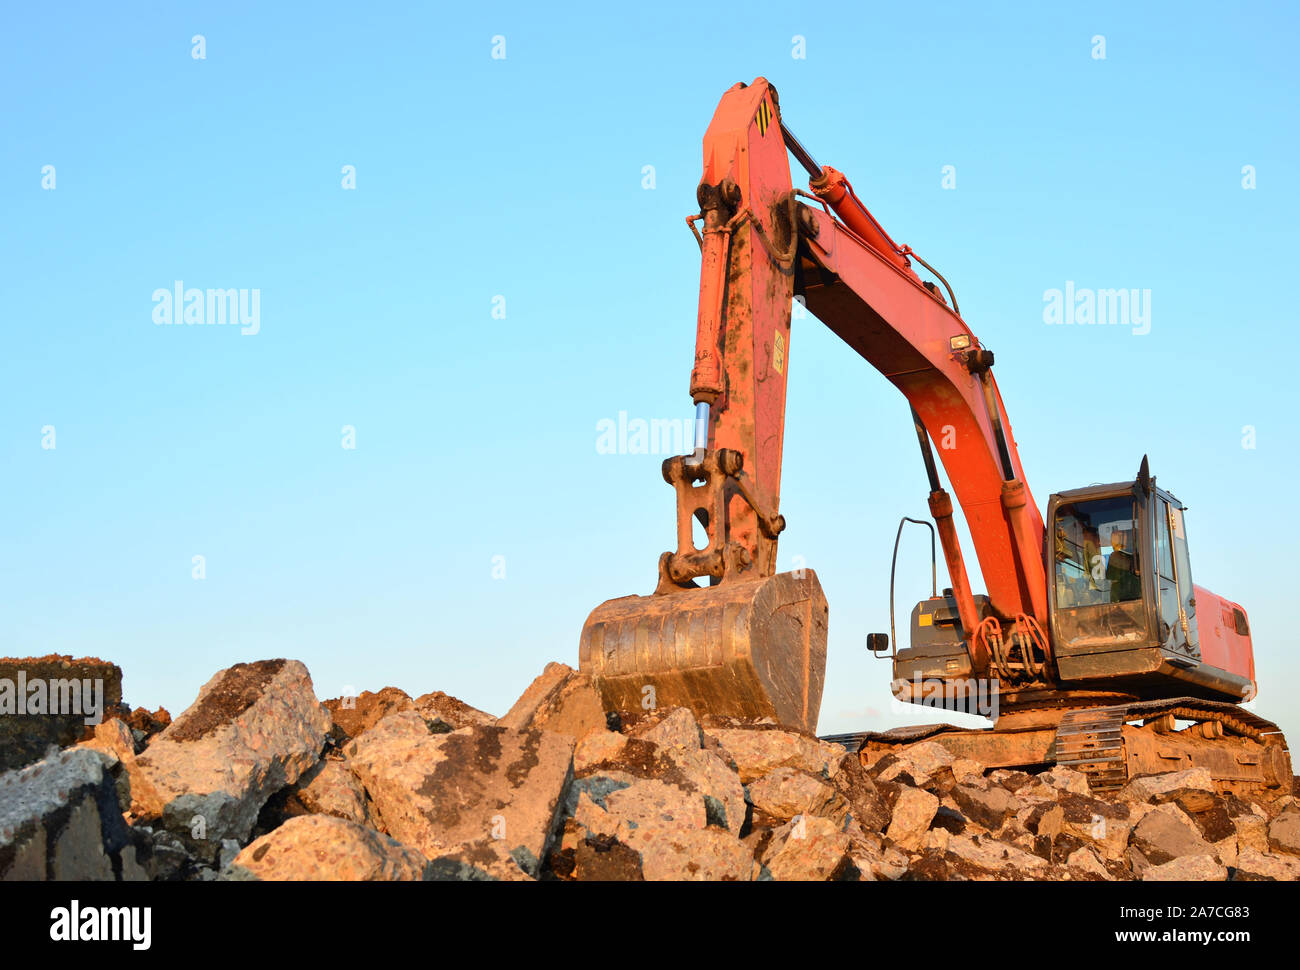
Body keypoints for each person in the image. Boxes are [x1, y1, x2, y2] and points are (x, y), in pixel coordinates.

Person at [1106, 528, 1141, 602]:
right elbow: (1110, 576)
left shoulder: (1140, 556)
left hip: (1139, 598)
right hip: (1121, 599)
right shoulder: (1115, 556)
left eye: (1121, 535)